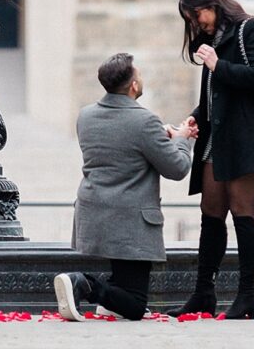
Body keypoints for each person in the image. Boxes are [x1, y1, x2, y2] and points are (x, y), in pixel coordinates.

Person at [169, 0, 254, 321]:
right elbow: (213, 96)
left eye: (197, 15)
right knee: (211, 212)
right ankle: (204, 293)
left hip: (247, 138)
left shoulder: (251, 28)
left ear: (212, 3)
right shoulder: (210, 43)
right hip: (217, 140)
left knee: (243, 212)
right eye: (190, 21)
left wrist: (218, 65)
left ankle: (249, 296)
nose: (196, 24)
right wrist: (192, 118)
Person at [53, 52, 196, 322]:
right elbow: (177, 168)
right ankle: (84, 284)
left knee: (126, 289)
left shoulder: (86, 116)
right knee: (135, 305)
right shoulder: (145, 121)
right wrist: (181, 139)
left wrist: (160, 137)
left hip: (94, 212)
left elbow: (122, 147)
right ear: (133, 85)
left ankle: (107, 303)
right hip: (131, 221)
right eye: (139, 76)